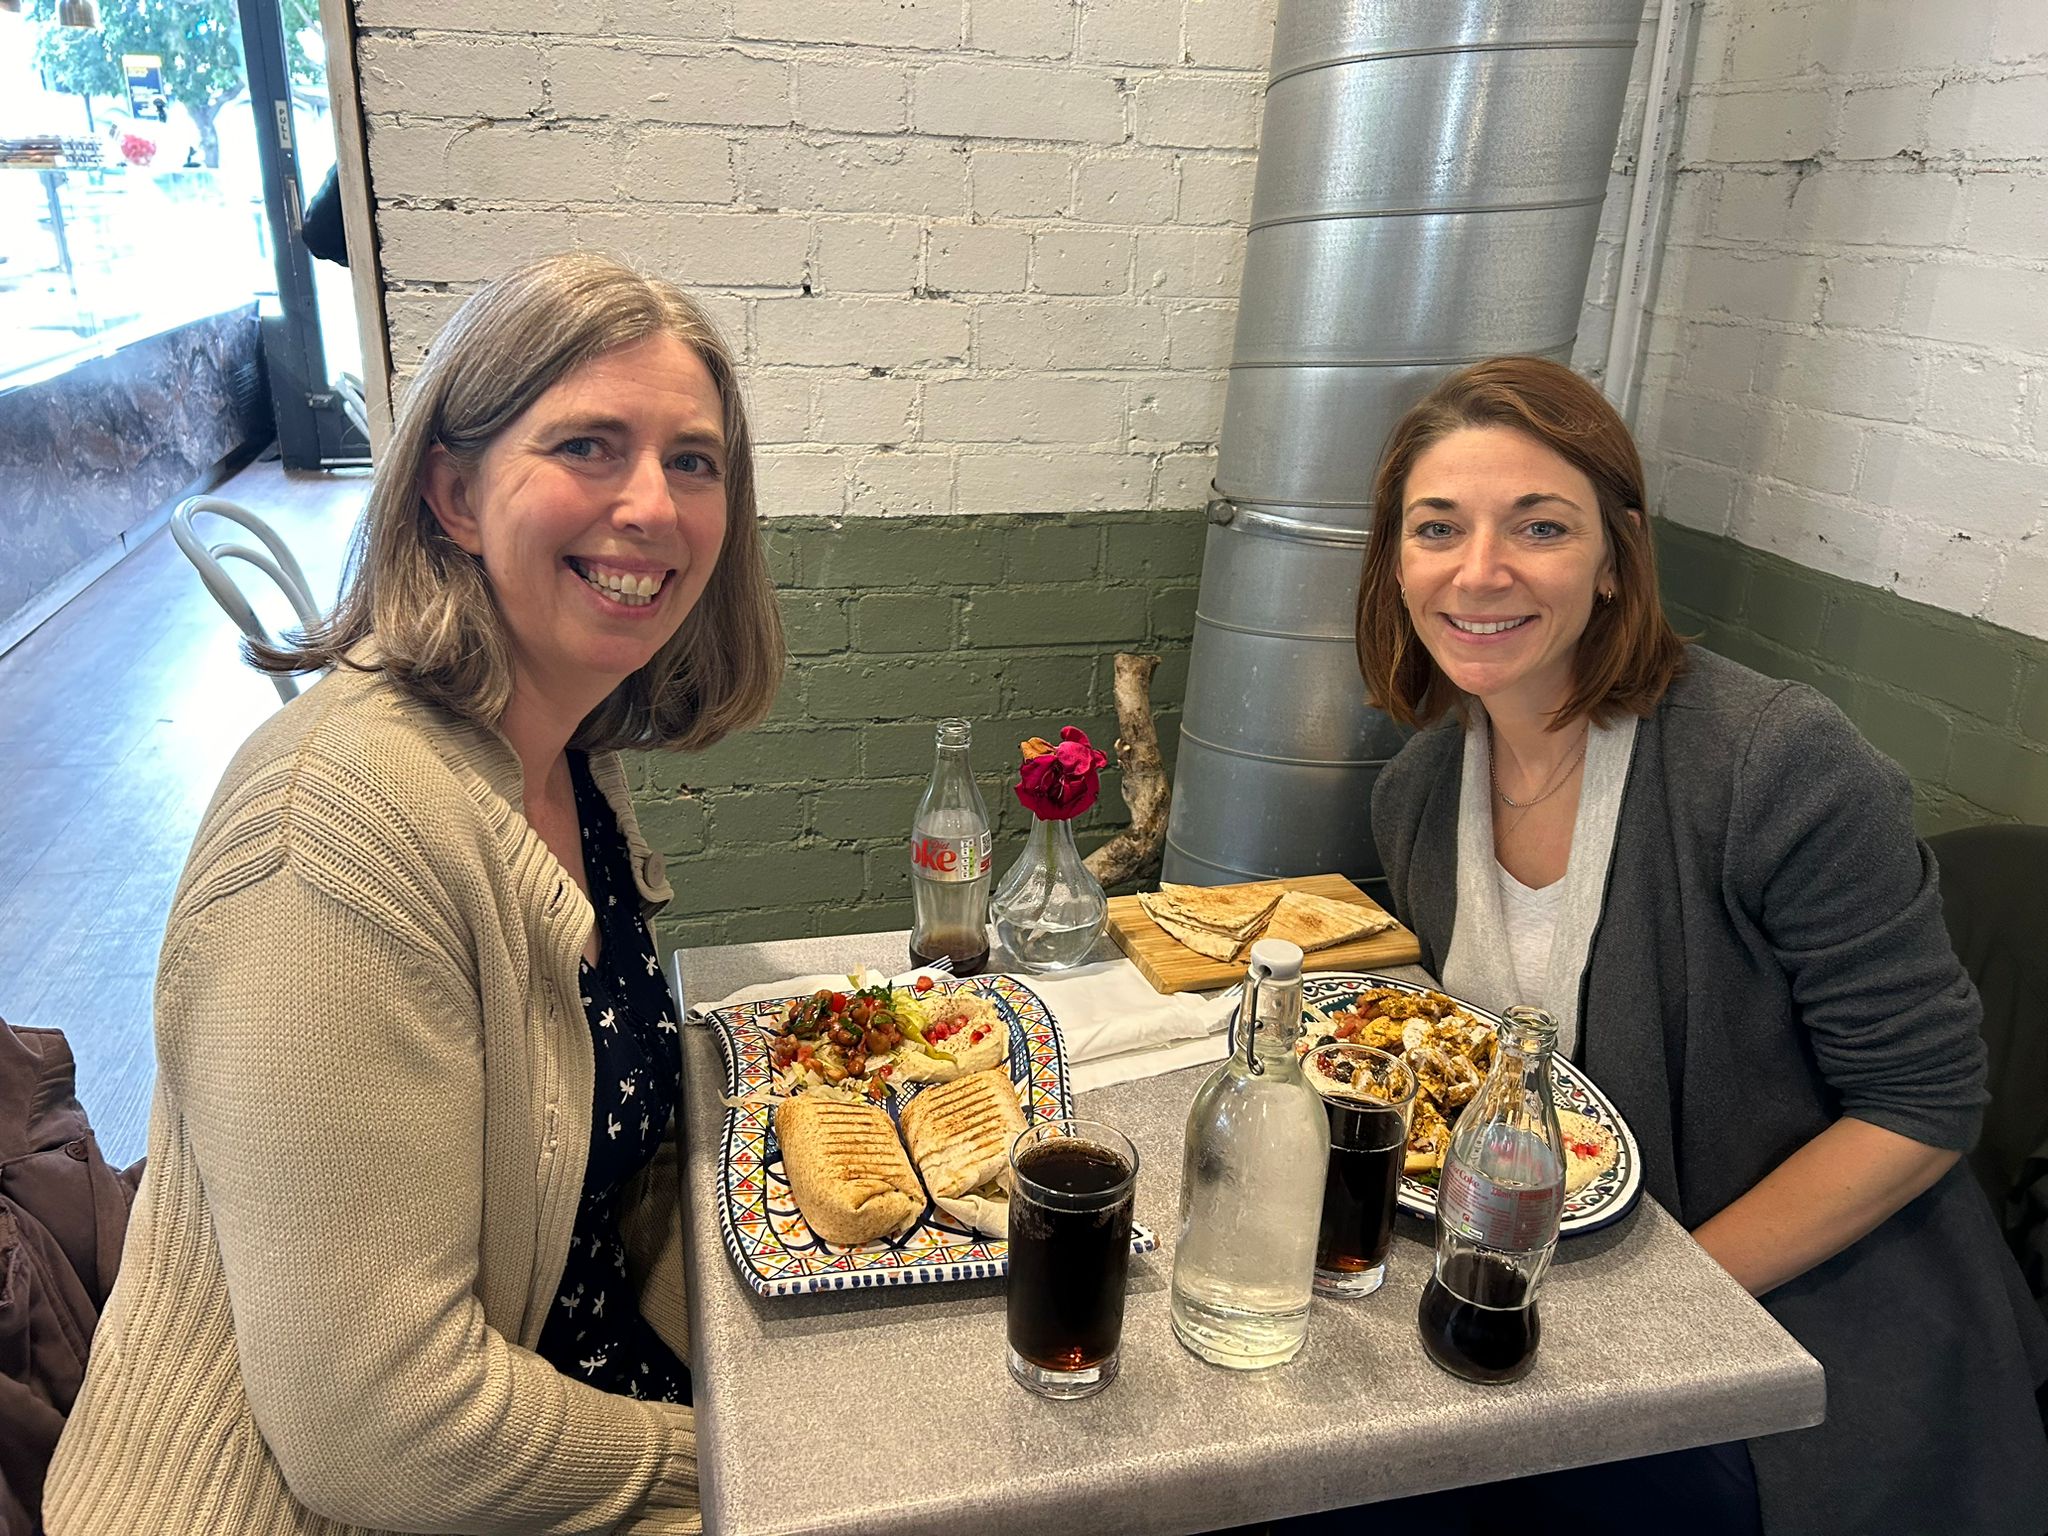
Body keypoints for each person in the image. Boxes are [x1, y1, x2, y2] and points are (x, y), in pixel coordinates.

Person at [44, 251, 784, 1534]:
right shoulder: (332, 834)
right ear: (452, 490)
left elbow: (607, 1155)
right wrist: (740, 1452)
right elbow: (384, 1433)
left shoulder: (562, 761)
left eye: (693, 460)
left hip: (558, 1418)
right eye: (589, 446)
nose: (654, 507)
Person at [1357, 356, 2048, 1536]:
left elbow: (1923, 1106)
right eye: (1437, 528)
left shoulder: (1770, 764)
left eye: (1539, 525)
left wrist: (1647, 1313)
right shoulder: (1417, 793)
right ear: (1396, 565)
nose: (1480, 571)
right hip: (1529, 1285)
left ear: (1615, 560)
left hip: (1800, 1330)